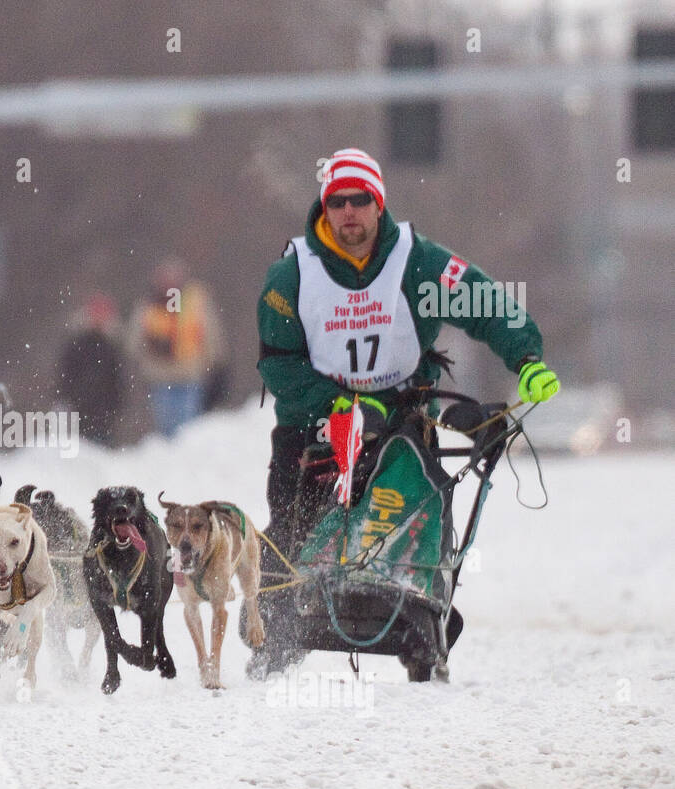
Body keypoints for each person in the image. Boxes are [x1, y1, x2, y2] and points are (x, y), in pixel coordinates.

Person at [255, 147, 560, 582]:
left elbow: (487, 304)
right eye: (336, 202)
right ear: (325, 209)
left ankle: (420, 619)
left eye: (360, 199)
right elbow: (279, 365)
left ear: (379, 203)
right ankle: (272, 630)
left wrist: (527, 358)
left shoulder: (417, 263)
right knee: (289, 555)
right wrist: (340, 405)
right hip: (312, 429)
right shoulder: (291, 275)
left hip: (401, 420)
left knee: (417, 534)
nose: (348, 211)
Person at [132, 258, 222, 437]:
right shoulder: (148, 305)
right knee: (166, 426)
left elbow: (210, 334)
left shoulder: (195, 301)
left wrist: (214, 363)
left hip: (189, 373)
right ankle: (171, 459)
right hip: (160, 376)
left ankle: (183, 458)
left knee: (188, 426)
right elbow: (135, 341)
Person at [57, 291, 127, 446]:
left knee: (100, 445)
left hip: (104, 410)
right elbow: (66, 373)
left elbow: (117, 378)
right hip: (80, 407)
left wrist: (116, 403)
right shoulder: (77, 343)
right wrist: (67, 398)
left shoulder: (112, 345)